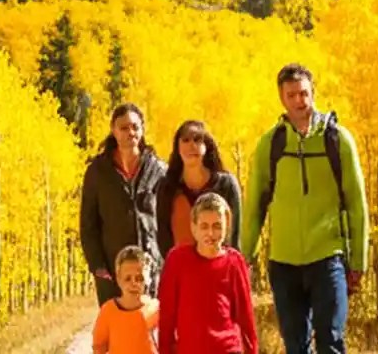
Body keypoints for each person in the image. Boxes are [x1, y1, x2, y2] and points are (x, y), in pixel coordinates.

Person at [240, 63, 370, 354]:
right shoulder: (270, 144)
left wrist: (358, 260)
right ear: (282, 99)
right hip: (283, 263)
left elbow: (356, 204)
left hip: (328, 258)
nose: (299, 101)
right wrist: (243, 256)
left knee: (331, 340)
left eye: (304, 93)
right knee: (295, 346)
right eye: (291, 95)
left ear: (314, 93)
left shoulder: (337, 140)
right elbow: (254, 206)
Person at [81, 103, 167, 306]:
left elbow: (168, 220)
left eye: (135, 127)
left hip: (151, 269)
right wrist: (98, 266)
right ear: (113, 130)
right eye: (124, 128)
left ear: (143, 129)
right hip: (113, 272)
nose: (131, 132)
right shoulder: (97, 172)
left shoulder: (159, 170)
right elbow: (88, 225)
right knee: (118, 332)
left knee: (150, 329)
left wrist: (165, 263)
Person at [157, 192, 258, 354]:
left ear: (226, 228)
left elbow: (246, 317)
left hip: (227, 349)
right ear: (193, 228)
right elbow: (167, 315)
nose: (210, 234)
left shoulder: (234, 262)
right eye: (204, 226)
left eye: (217, 226)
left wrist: (252, 350)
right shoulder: (177, 260)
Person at [155, 119, 243, 259]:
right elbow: (163, 237)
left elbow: (234, 237)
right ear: (177, 146)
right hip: (183, 271)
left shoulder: (226, 185)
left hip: (219, 268)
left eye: (197, 140)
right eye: (186, 140)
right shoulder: (167, 188)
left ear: (206, 146)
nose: (192, 145)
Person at [91, 245, 160, 354]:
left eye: (139, 278)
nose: (133, 283)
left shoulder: (155, 309)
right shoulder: (108, 311)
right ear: (118, 279)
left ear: (147, 280)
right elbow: (99, 347)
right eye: (127, 278)